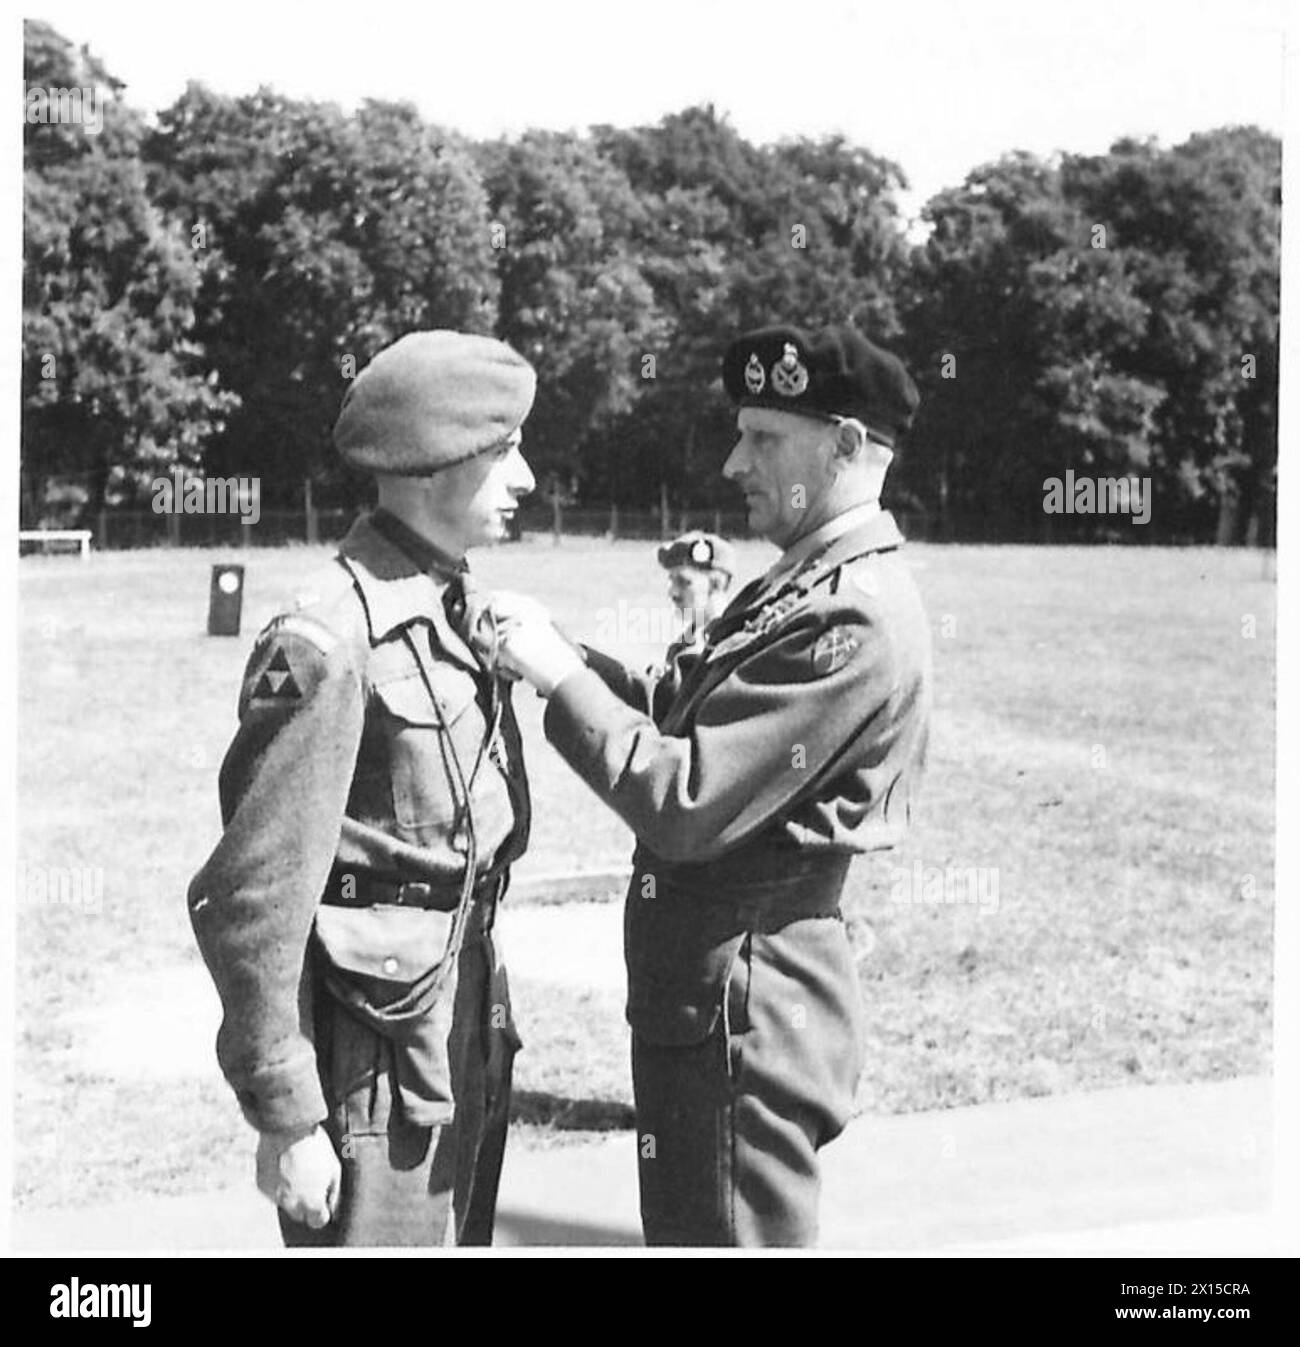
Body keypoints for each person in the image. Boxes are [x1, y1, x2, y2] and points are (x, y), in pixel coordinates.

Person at [488, 324, 932, 1246]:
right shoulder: (803, 580)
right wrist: (563, 656)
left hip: (748, 1006)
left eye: (765, 438)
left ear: (846, 446)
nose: (735, 462)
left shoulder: (851, 614)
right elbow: (681, 703)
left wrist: (560, 679)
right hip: (717, 999)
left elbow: (683, 799)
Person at [188, 330, 537, 1247]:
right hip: (368, 1063)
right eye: (506, 452)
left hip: (451, 1020)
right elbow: (251, 895)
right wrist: (289, 1115)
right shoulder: (330, 639)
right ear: (434, 464)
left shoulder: (450, 609)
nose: (528, 477)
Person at [657, 530, 736, 656]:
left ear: (716, 584)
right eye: (672, 582)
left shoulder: (735, 642)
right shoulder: (681, 646)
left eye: (683, 582)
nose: (673, 593)